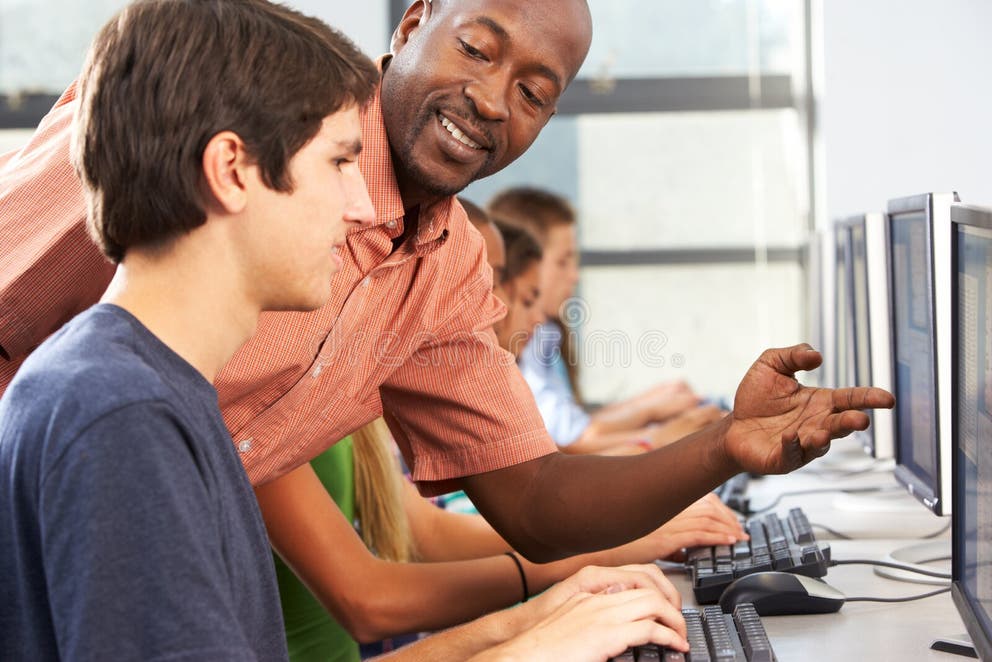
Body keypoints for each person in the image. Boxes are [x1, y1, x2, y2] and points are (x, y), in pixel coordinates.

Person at [1, 0, 891, 616]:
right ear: (416, 19)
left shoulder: (450, 269)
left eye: (536, 94)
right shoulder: (231, 117)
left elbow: (535, 497)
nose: (492, 100)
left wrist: (723, 445)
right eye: (477, 47)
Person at [0, 0, 378, 658]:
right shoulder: (122, 412)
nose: (364, 208)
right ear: (232, 170)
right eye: (340, 163)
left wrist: (523, 635)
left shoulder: (134, 384)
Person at [275, 417, 742, 661]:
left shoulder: (332, 398)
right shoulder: (253, 413)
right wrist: (557, 593)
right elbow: (368, 603)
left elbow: (429, 534)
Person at [488, 186, 725, 454]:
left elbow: (570, 431)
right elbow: (570, 442)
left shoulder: (543, 334)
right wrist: (653, 431)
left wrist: (651, 413)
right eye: (563, 262)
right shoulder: (517, 350)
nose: (574, 276)